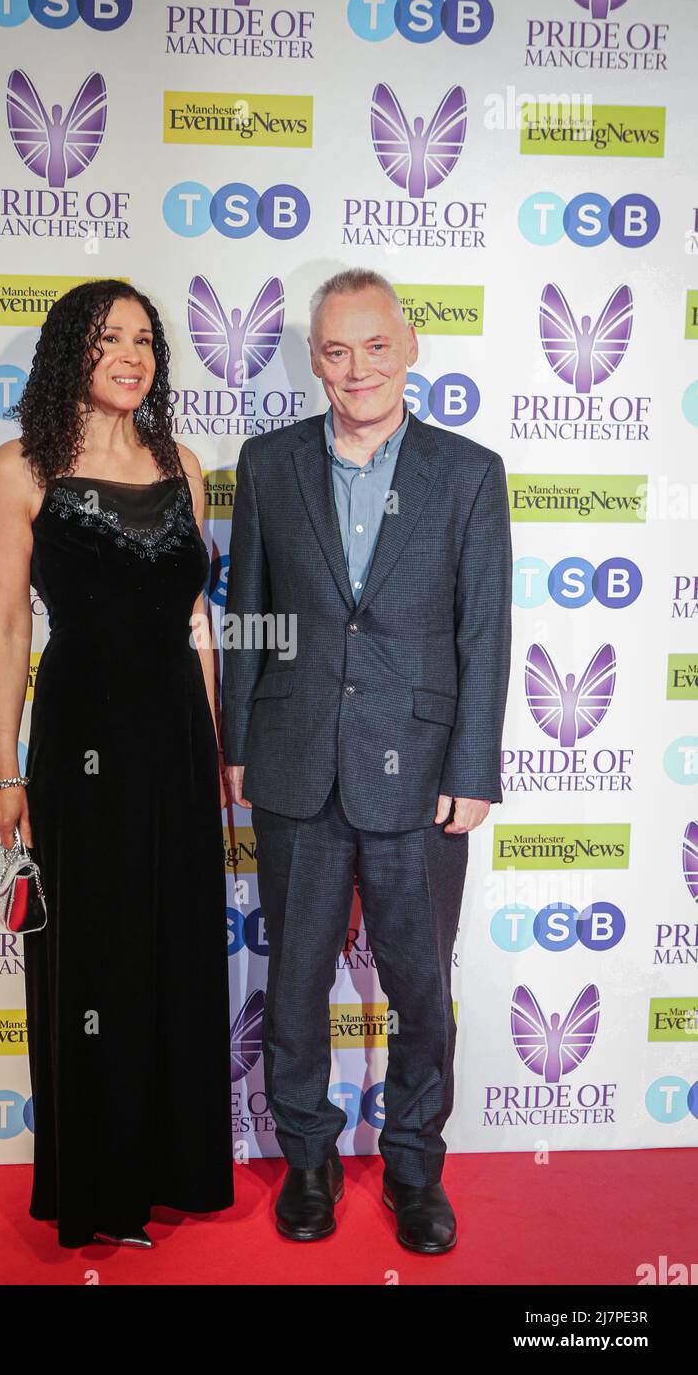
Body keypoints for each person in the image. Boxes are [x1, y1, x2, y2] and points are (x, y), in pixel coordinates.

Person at [221, 268, 512, 1251]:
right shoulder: (267, 465)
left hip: (424, 771)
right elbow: (249, 613)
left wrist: (474, 766)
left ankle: (416, 1167)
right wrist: (237, 744)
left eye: (375, 346)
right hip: (295, 763)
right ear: (314, 359)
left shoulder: (469, 473)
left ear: (409, 347)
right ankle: (307, 1161)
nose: (357, 368)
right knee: (295, 977)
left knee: (421, 982)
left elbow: (486, 631)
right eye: (336, 351)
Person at [0, 279, 234, 1249]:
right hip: (79, 743)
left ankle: (171, 1168)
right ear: (68, 354)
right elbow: (5, 627)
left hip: (174, 740)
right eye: (107, 338)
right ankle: (101, 1188)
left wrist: (213, 756)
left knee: (172, 951)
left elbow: (197, 622)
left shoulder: (184, 466)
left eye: (144, 339)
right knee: (94, 965)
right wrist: (6, 775)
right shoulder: (20, 468)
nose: (131, 354)